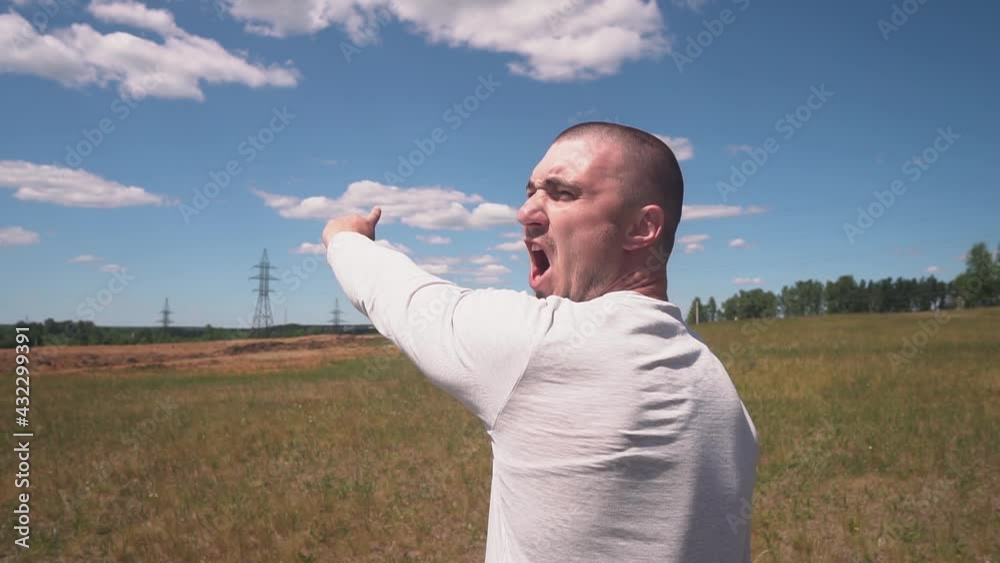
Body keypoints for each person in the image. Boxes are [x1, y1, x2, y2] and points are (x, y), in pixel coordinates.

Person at [323, 122, 759, 562]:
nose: (526, 211)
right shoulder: (715, 382)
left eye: (562, 193)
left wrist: (345, 237)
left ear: (642, 227)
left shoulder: (544, 345)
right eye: (530, 191)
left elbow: (406, 299)